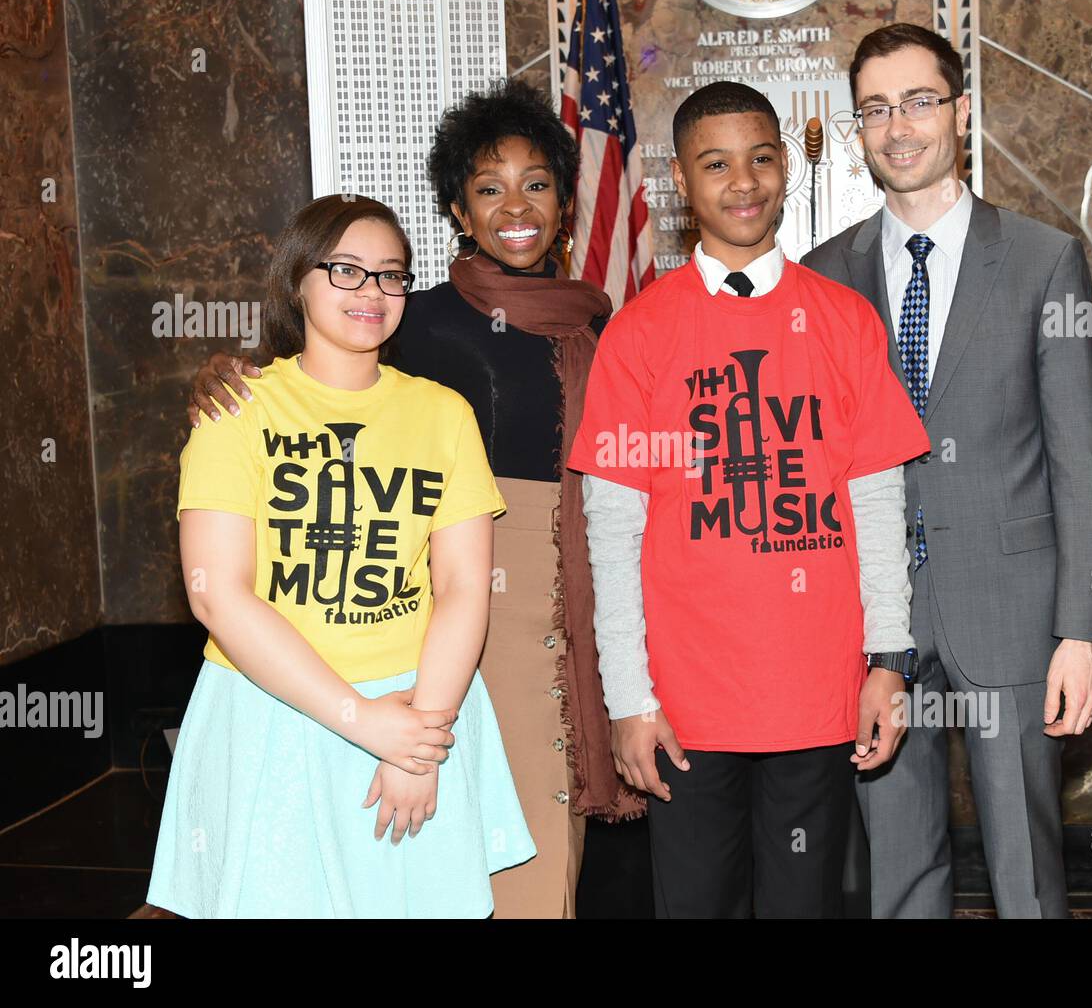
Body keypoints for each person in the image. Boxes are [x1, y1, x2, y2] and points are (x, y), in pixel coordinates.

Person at [180, 80, 645, 919]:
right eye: (488, 187)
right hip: (427, 633)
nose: (515, 205)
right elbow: (315, 377)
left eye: (536, 183)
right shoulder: (418, 319)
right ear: (459, 211)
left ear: (566, 204)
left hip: (548, 617)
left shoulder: (600, 326)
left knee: (519, 859)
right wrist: (225, 374)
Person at [567, 81, 931, 918]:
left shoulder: (845, 321)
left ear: (784, 171)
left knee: (807, 903)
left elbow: (877, 511)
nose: (744, 182)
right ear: (682, 187)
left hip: (818, 690)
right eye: (717, 164)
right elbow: (612, 535)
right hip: (684, 703)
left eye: (762, 158)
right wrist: (629, 699)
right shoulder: (640, 334)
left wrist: (887, 661)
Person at [148, 194, 535, 918]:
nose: (373, 292)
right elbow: (217, 595)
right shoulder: (237, 409)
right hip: (274, 712)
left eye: (391, 275)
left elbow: (460, 588)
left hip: (423, 707)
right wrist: (362, 721)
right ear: (297, 279)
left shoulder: (442, 413)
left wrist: (418, 738)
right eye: (347, 271)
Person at [803, 22, 1092, 919]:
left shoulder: (1045, 260)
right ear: (857, 128)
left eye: (920, 101)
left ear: (962, 111)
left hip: (1011, 612)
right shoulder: (826, 277)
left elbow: (1079, 459)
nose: (899, 126)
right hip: (871, 627)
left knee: (1024, 871)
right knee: (897, 875)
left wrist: (1081, 632)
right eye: (876, 109)